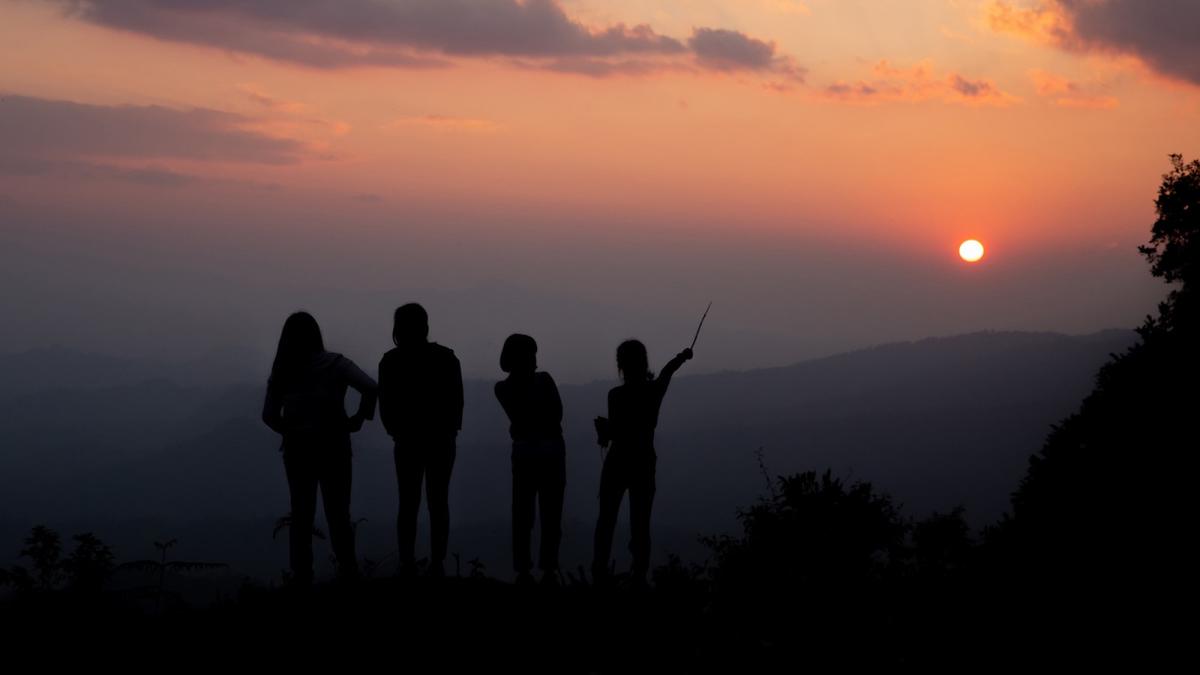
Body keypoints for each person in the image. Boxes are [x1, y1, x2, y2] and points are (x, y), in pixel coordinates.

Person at [262, 311, 377, 585]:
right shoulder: (336, 364)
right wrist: (359, 419)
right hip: (334, 447)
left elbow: (268, 415)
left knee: (301, 514)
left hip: (297, 451)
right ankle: (348, 571)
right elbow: (371, 388)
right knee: (338, 513)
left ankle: (302, 576)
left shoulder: (283, 370)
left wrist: (290, 431)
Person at [592, 340, 693, 585]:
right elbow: (668, 371)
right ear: (643, 362)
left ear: (621, 365)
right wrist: (683, 355)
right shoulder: (653, 391)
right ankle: (639, 574)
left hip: (617, 462)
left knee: (606, 519)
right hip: (644, 462)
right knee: (640, 521)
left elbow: (618, 432)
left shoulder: (615, 395)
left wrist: (604, 431)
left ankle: (599, 572)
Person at [379, 303, 463, 577]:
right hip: (440, 441)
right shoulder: (446, 358)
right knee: (438, 502)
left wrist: (398, 432)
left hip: (407, 442)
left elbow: (387, 408)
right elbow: (456, 403)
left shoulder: (390, 362)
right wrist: (448, 431)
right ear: (425, 326)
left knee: (408, 502)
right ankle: (437, 563)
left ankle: (406, 562)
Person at [494, 334, 566, 585]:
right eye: (531, 354)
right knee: (550, 513)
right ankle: (548, 568)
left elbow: (523, 418)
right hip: (551, 451)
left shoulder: (504, 388)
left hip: (526, 452)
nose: (535, 359)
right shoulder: (544, 381)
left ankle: (524, 569)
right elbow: (556, 415)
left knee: (523, 513)